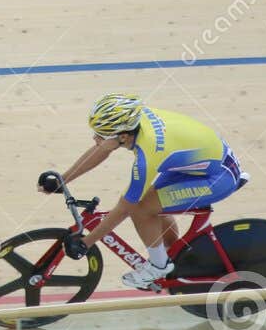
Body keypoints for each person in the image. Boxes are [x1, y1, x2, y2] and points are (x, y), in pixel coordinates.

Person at [41, 93, 247, 291]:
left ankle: (159, 266)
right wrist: (63, 179)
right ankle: (172, 255)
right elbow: (103, 148)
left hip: (217, 178)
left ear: (123, 136)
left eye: (100, 135)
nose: (95, 138)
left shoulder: (147, 156)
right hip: (198, 165)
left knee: (140, 208)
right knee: (151, 203)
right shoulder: (134, 121)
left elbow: (125, 208)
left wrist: (86, 243)